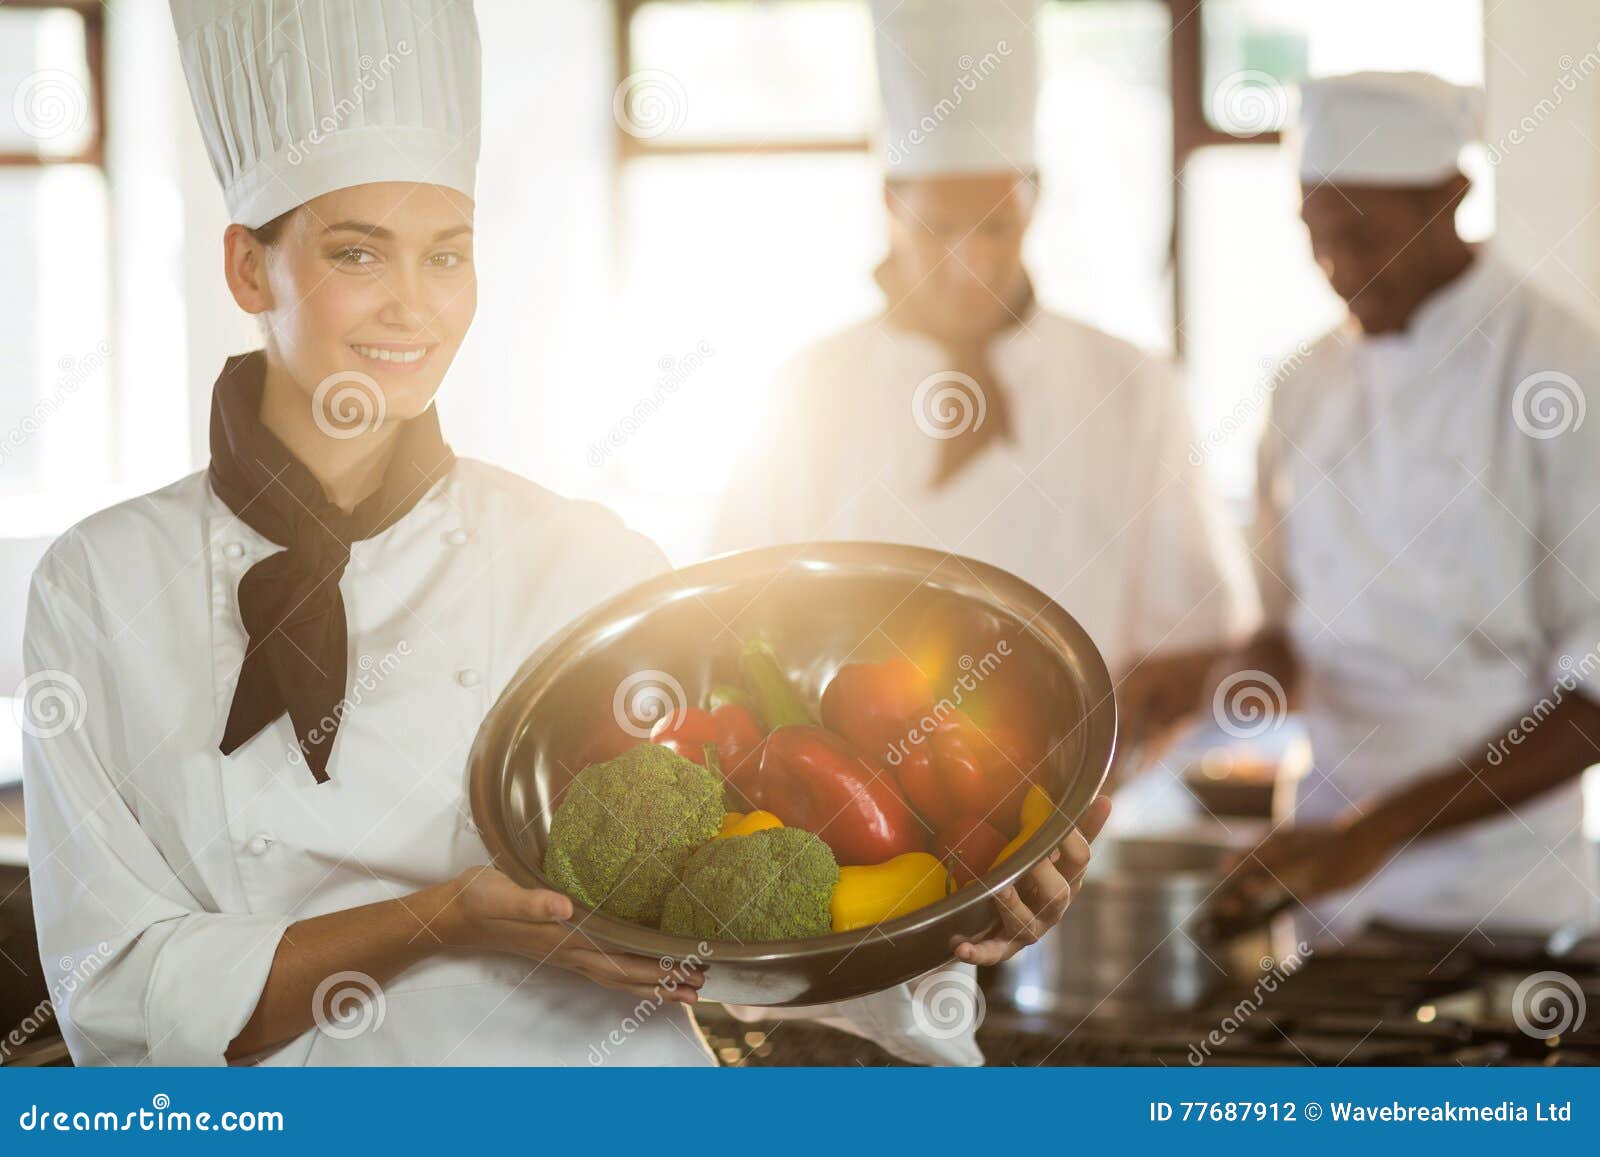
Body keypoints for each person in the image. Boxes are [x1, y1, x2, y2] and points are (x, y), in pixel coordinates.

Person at [19, 0, 1108, 1067]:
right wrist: (446, 918)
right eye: (359, 254)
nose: (413, 305)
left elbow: (763, 887)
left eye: (446, 254)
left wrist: (955, 921)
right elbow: (117, 993)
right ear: (249, 268)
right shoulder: (104, 585)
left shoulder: (590, 564)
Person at [1128, 72, 1600, 942]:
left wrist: (1379, 829)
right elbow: (1288, 639)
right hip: (1324, 894)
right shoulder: (1305, 384)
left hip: (1506, 902)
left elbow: (1594, 697)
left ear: (1452, 197)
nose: (1340, 266)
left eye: (1365, 233)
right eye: (1318, 235)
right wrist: (1188, 693)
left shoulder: (1563, 372)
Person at [710, 0, 1257, 739]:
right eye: (938, 227)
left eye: (995, 226)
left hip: (1081, 804)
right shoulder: (806, 390)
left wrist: (1087, 764)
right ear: (890, 206)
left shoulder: (1131, 385)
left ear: (1034, 204)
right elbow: (733, 620)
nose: (969, 262)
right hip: (854, 821)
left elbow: (1193, 636)